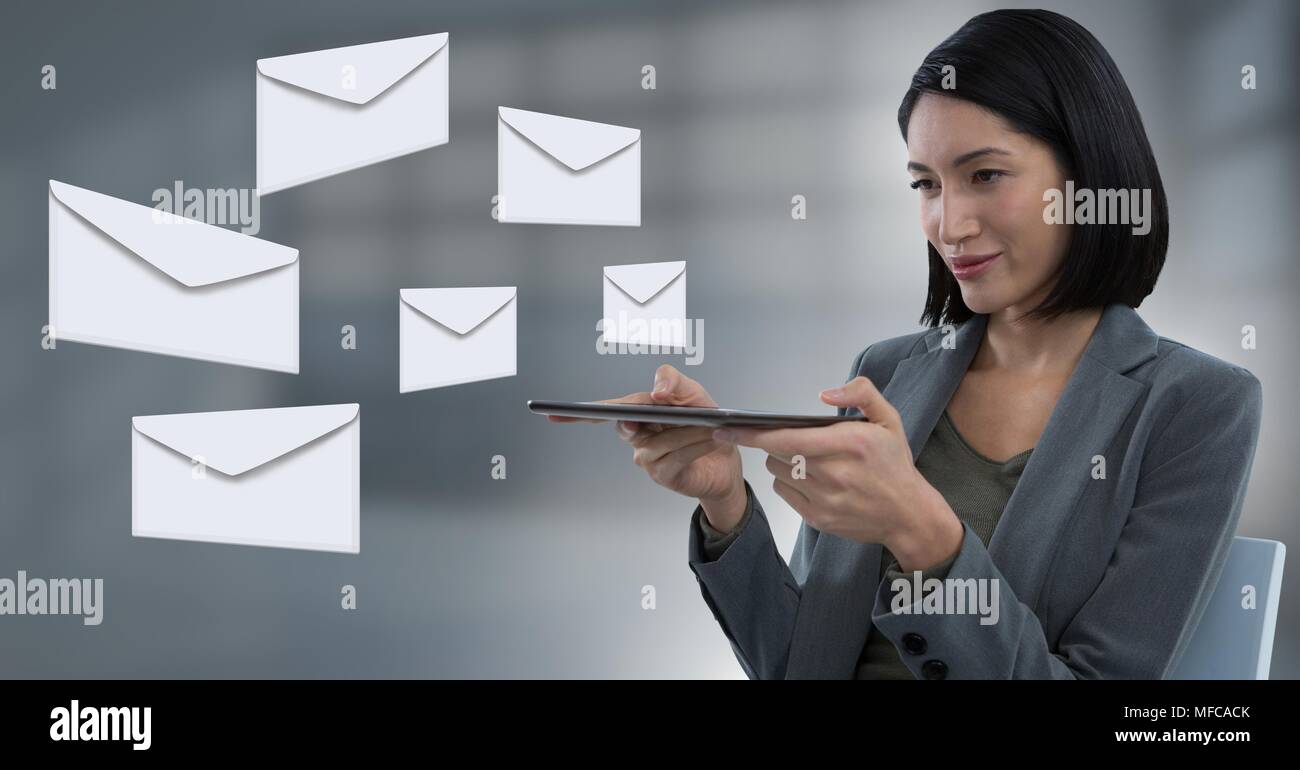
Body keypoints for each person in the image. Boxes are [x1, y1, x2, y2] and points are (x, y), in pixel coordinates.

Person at [547, 9, 1262, 679]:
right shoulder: (886, 373)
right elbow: (801, 662)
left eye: (985, 175)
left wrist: (923, 534)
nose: (948, 225)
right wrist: (727, 505)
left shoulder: (1197, 405)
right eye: (927, 184)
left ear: (1087, 175)